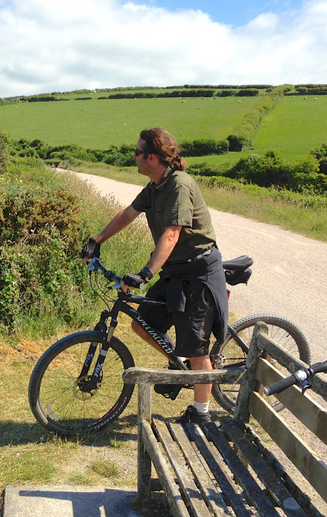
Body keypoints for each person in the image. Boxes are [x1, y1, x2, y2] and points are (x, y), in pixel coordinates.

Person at [81, 127, 228, 424]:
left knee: (197, 349)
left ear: (152, 156)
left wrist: (146, 273)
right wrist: (97, 240)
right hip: (175, 270)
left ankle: (201, 414)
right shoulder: (155, 186)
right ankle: (182, 365)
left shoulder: (179, 185)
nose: (132, 156)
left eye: (136, 152)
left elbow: (172, 234)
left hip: (198, 270)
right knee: (142, 324)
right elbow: (128, 213)